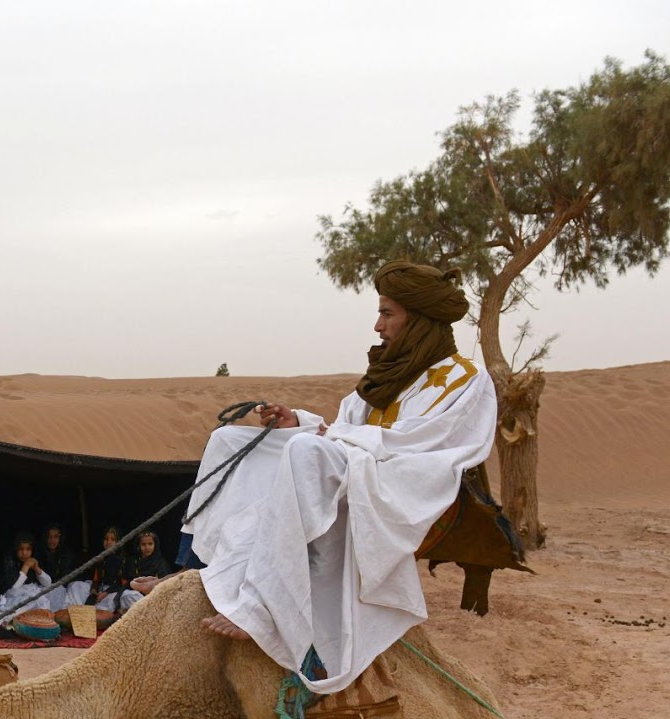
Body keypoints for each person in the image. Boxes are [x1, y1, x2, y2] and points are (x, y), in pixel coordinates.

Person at [186, 260, 497, 694]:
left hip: (407, 479)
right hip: (363, 457)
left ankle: (264, 609)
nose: (377, 325)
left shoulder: (465, 379)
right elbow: (344, 424)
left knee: (306, 453)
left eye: (387, 313)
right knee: (230, 441)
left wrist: (332, 437)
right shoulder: (387, 372)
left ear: (418, 318)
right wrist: (298, 421)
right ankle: (218, 567)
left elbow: (423, 439)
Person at [40, 523, 89, 605]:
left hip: (66, 586)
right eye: (49, 537)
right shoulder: (40, 553)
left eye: (55, 537)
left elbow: (68, 575)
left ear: (60, 538)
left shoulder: (66, 553)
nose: (52, 540)